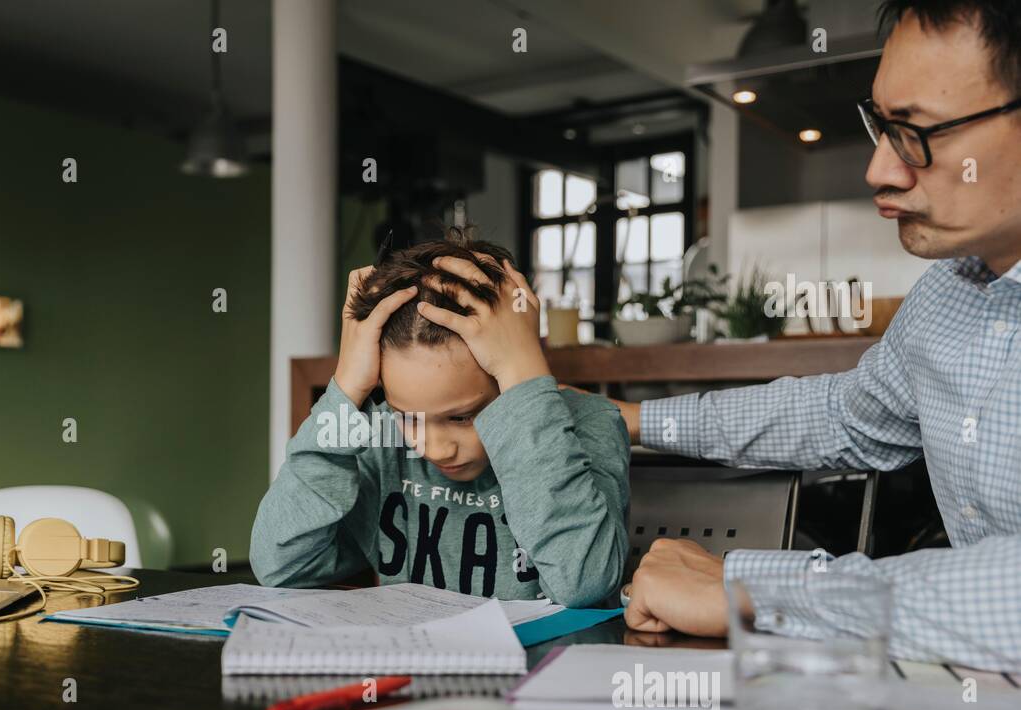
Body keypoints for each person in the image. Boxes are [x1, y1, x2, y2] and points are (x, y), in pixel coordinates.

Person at [615, 0, 1021, 670]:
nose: (880, 172)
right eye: (881, 128)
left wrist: (752, 588)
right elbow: (842, 415)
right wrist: (633, 419)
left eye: (918, 132)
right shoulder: (950, 293)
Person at [250, 232, 629, 607]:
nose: (433, 447)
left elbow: (585, 582)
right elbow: (280, 566)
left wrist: (524, 372)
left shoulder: (590, 424)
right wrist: (345, 391)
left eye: (462, 416)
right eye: (408, 416)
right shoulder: (378, 437)